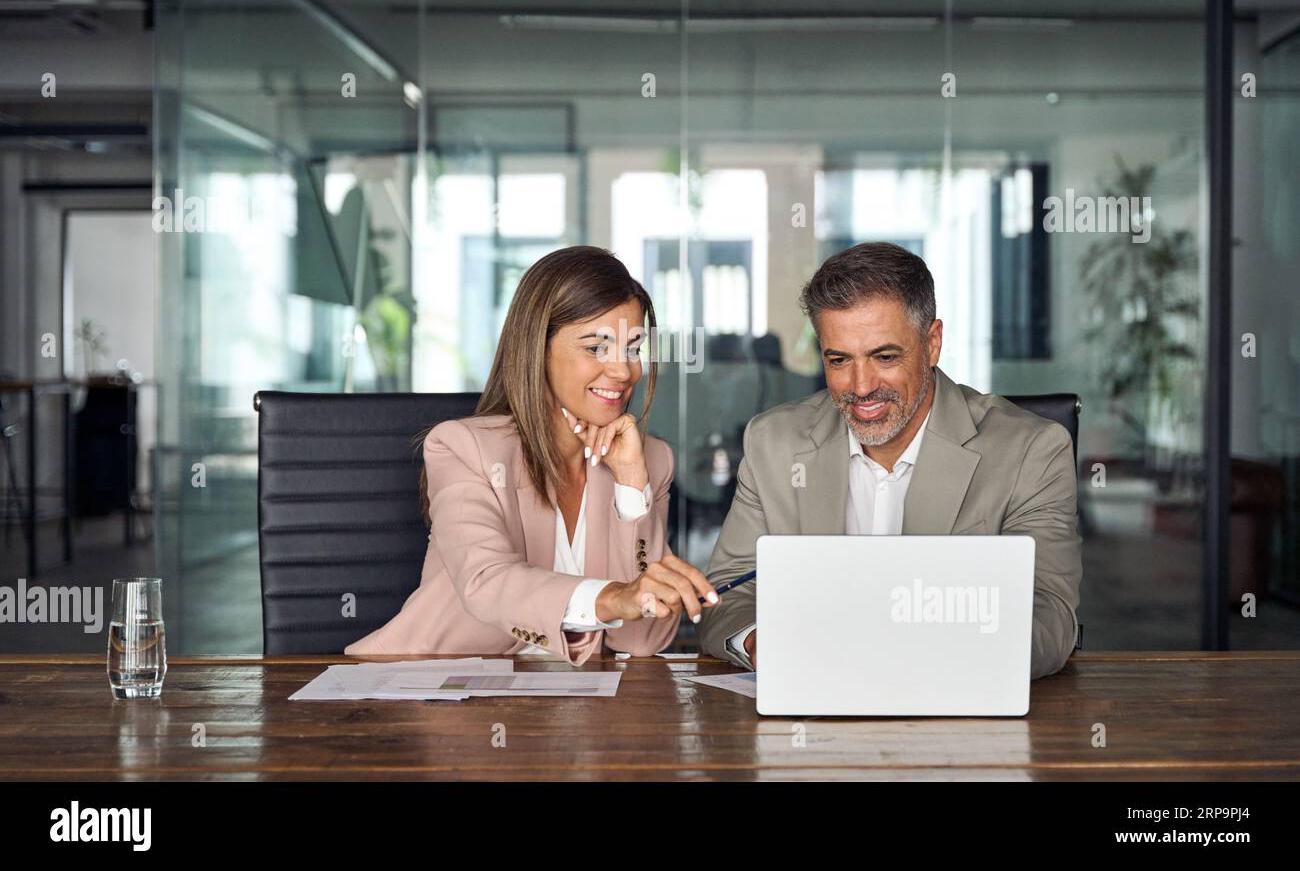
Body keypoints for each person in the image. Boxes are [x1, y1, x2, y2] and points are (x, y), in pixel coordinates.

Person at [699, 242, 1082, 680]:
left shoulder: (1031, 450)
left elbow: (1050, 618)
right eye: (839, 360)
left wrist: (910, 656)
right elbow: (727, 593)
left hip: (957, 714)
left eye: (884, 357)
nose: (861, 387)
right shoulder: (774, 443)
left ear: (933, 343)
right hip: (813, 717)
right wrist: (759, 641)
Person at [346, 246, 717, 663]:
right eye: (597, 348)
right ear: (536, 348)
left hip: (573, 708)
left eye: (634, 348)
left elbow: (641, 641)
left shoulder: (650, 459)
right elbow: (487, 581)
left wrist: (633, 486)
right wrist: (614, 598)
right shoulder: (463, 449)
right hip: (438, 686)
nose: (624, 370)